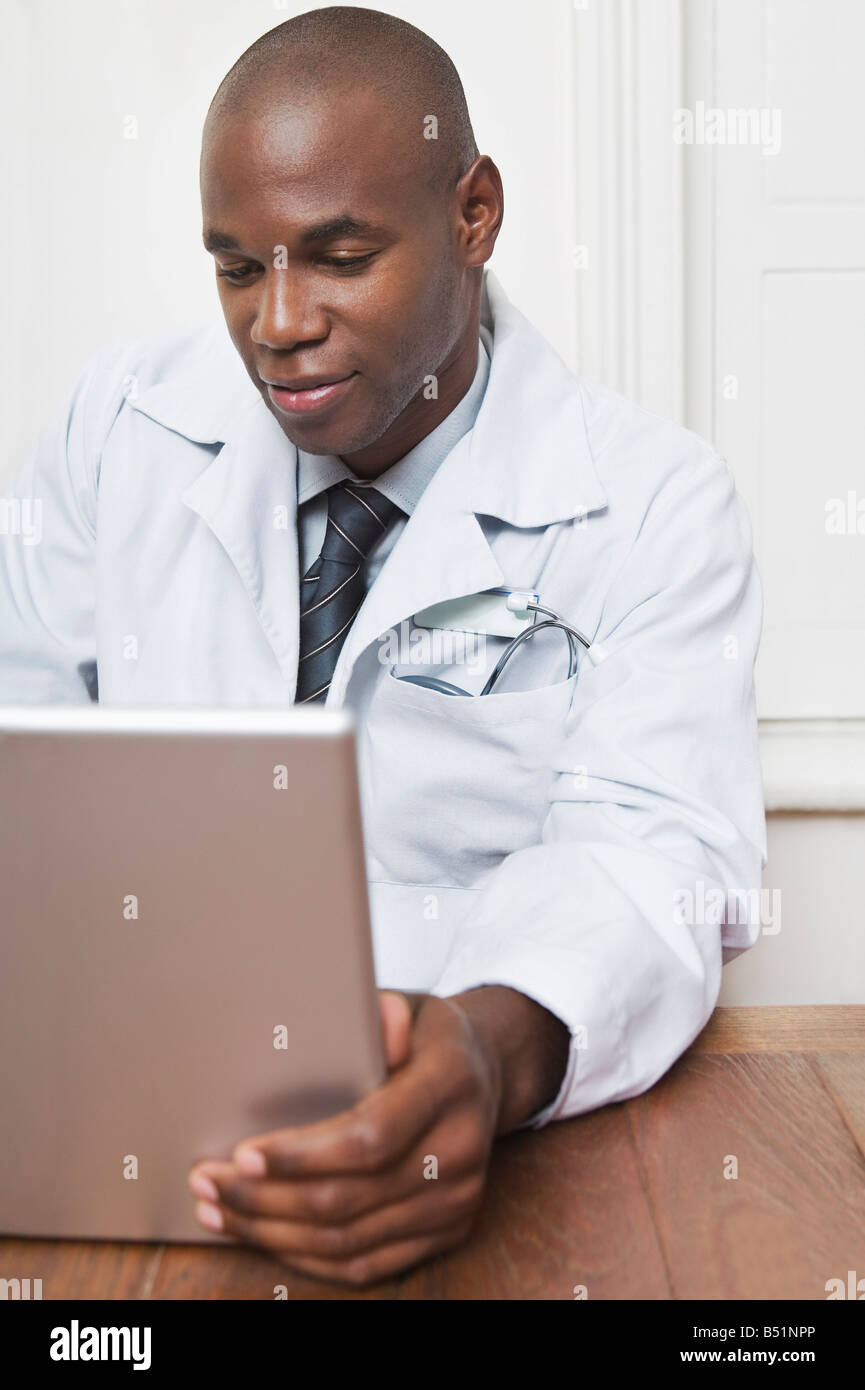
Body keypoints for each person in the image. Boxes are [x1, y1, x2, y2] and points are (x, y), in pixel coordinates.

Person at [0, 7, 766, 1286]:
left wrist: (481, 1053)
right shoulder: (116, 434)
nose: (277, 323)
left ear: (474, 214)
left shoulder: (651, 505)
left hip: (477, 1165)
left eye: (339, 256)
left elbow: (656, 859)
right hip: (126, 1144)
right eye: (237, 267)